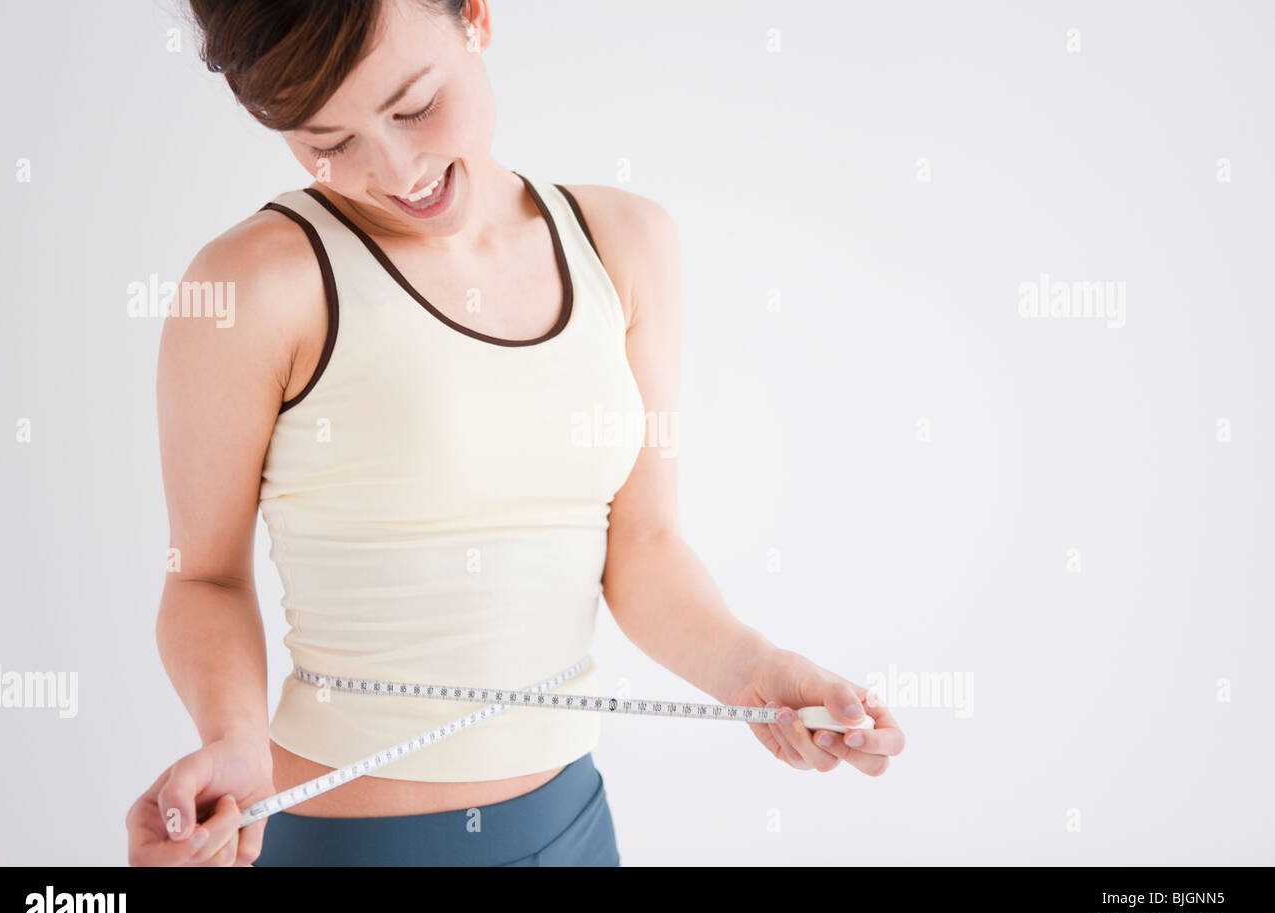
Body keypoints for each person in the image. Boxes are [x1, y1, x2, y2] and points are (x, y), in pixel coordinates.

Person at [126, 0, 905, 867]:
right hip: (353, 845)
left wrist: (758, 673)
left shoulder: (624, 245)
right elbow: (203, 576)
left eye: (414, 106)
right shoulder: (255, 284)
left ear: (475, 18)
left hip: (574, 827)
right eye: (328, 142)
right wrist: (235, 742)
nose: (395, 169)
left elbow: (642, 546)